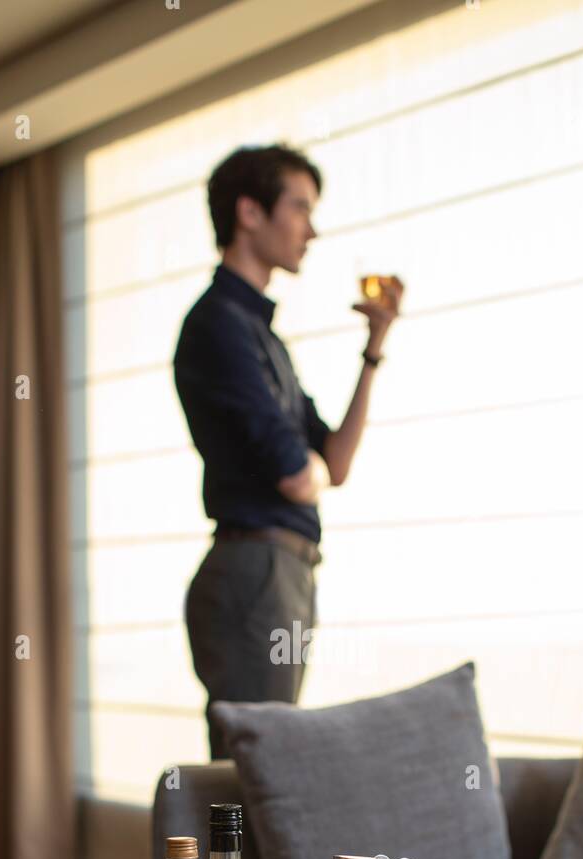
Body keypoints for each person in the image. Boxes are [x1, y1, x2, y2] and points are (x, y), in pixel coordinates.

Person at [174, 143, 402, 759]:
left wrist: (373, 347)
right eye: (300, 207)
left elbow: (335, 463)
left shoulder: (261, 337)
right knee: (255, 776)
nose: (312, 228)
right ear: (249, 212)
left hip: (282, 572)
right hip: (258, 573)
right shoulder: (219, 324)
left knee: (258, 773)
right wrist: (312, 470)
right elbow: (297, 476)